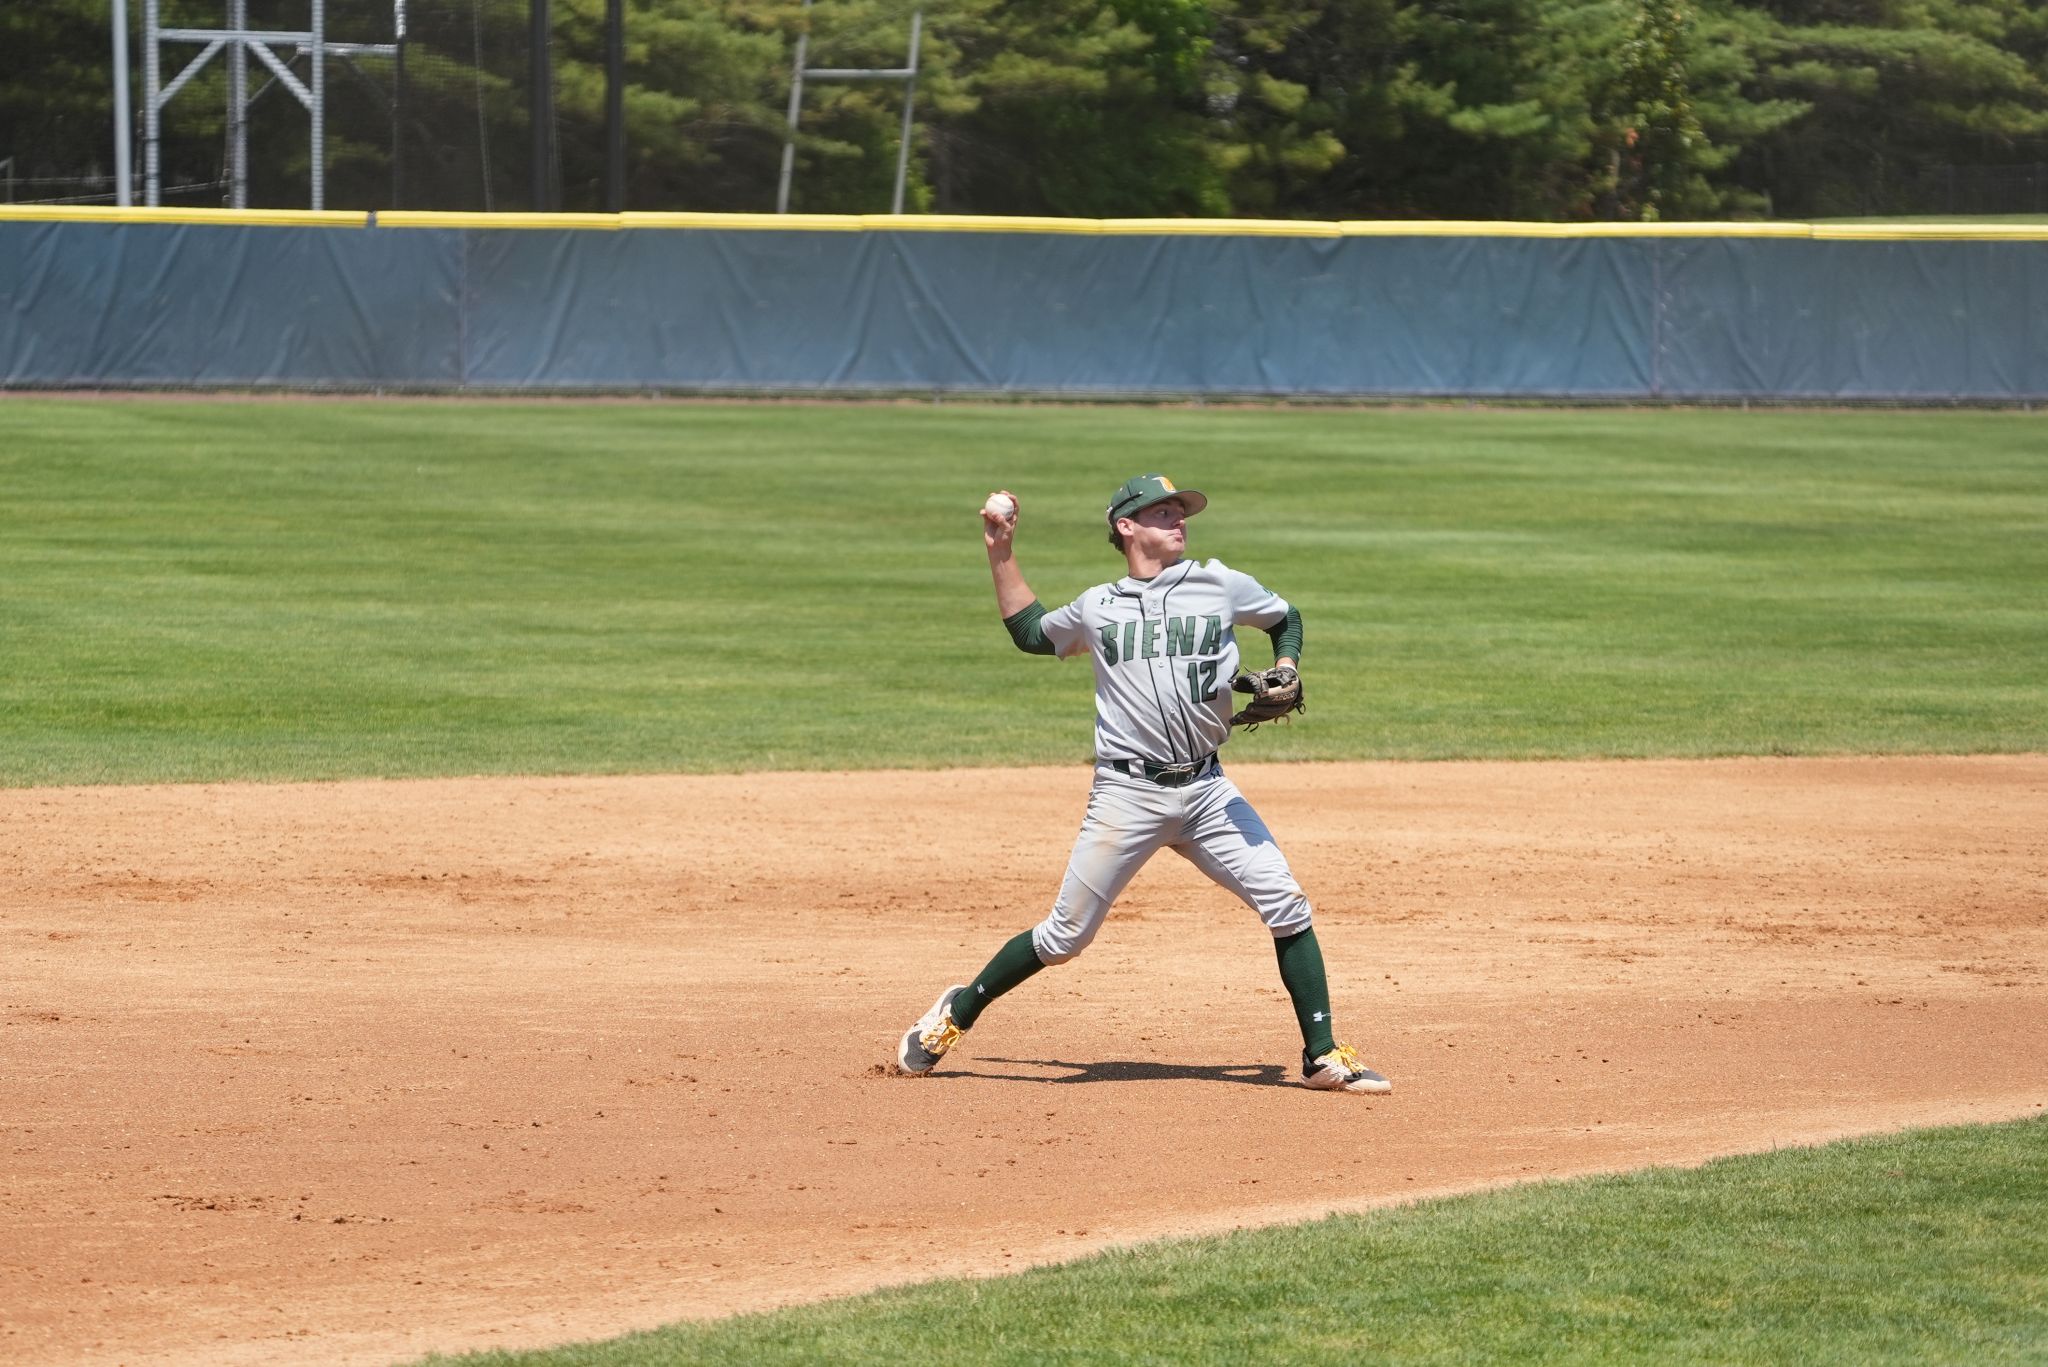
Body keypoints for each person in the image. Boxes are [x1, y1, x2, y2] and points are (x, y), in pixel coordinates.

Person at [895, 474, 1391, 1094]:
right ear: (1126, 527)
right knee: (1063, 938)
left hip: (1208, 790)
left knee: (1286, 904)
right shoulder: (1098, 606)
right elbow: (1030, 634)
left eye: (1181, 512)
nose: (1178, 521)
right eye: (1162, 513)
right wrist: (1000, 549)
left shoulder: (1220, 582)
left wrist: (1287, 665)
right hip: (1127, 796)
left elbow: (1285, 617)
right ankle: (955, 1013)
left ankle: (1322, 1056)